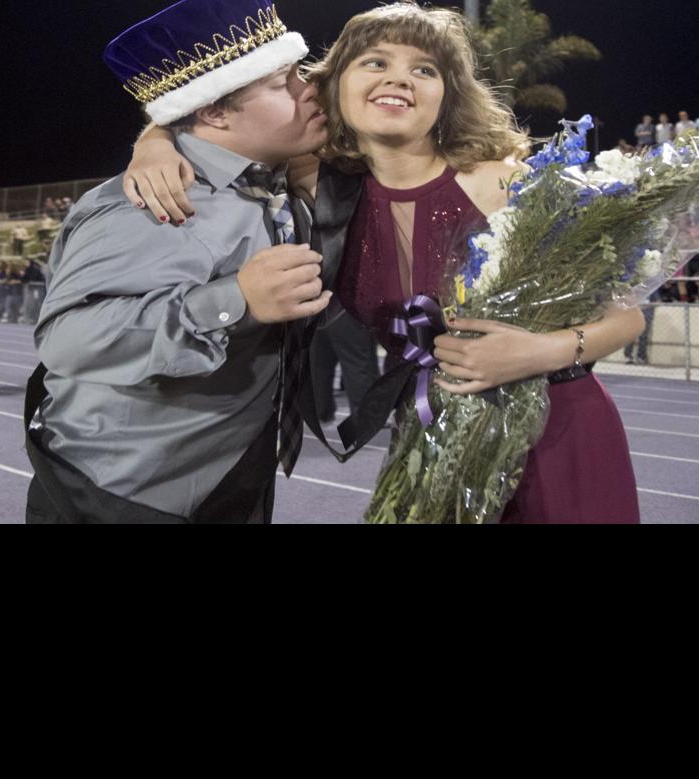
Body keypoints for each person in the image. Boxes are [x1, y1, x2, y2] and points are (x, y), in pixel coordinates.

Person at [127, 1, 643, 523]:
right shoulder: (321, 185)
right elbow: (223, 121)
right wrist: (156, 141)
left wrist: (538, 353)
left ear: (447, 95)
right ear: (333, 86)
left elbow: (626, 316)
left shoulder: (507, 182)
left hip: (557, 431)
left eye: (424, 69)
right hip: (429, 433)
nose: (399, 79)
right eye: (375, 62)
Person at [25, 0, 333, 524]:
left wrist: (156, 133)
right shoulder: (145, 200)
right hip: (123, 492)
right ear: (213, 110)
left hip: (224, 475)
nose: (310, 90)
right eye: (285, 82)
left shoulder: (269, 180)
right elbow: (67, 337)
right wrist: (235, 299)